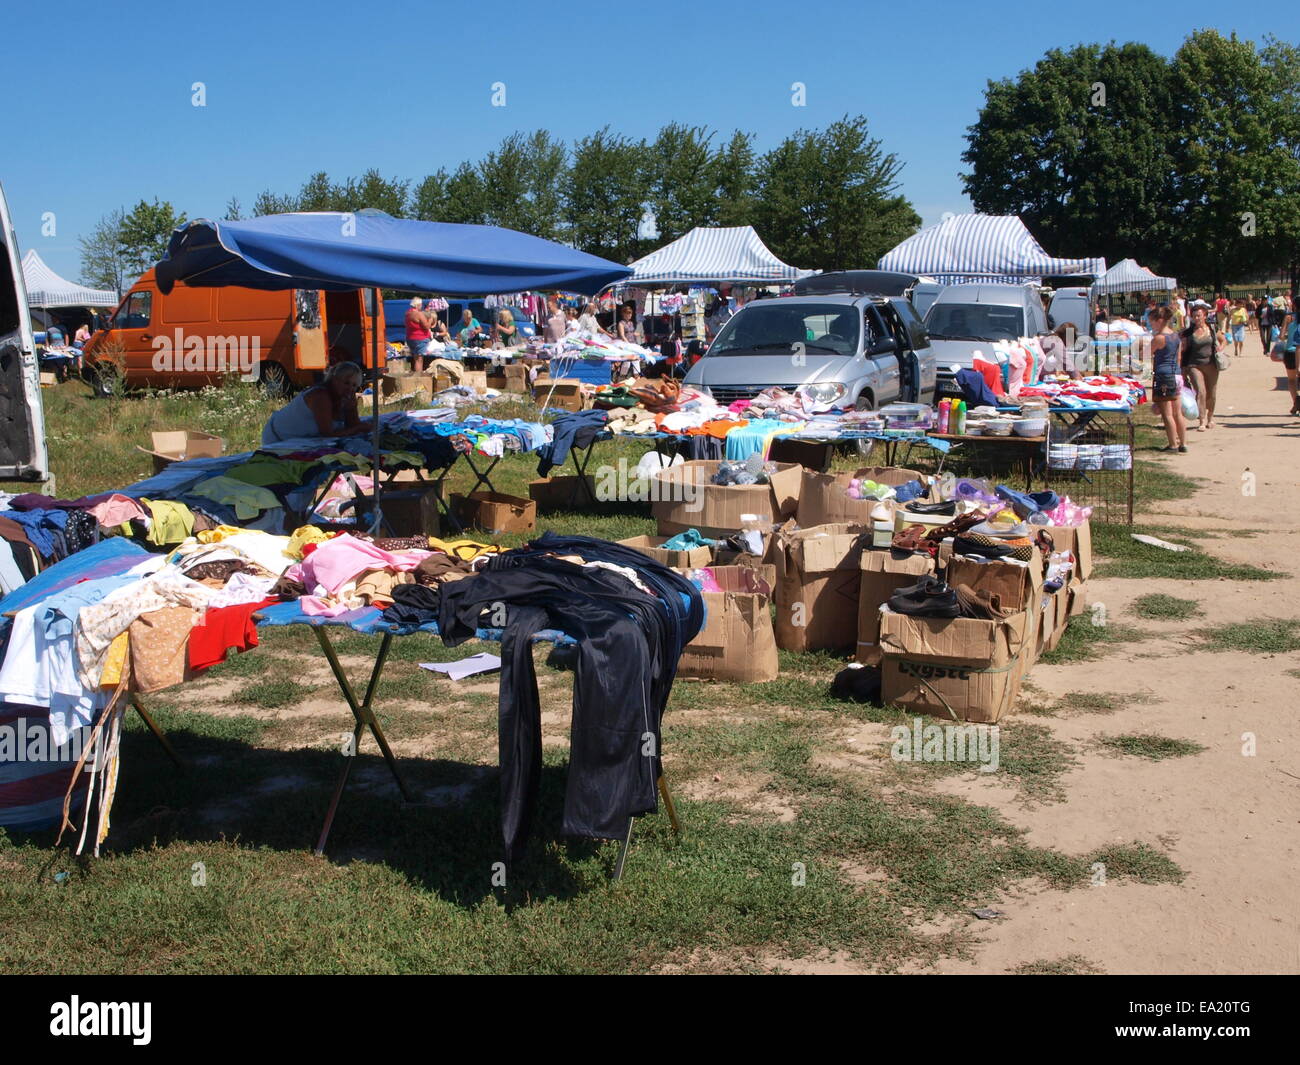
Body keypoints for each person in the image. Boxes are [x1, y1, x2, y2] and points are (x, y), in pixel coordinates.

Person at [261, 362, 370, 445]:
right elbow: (328, 434)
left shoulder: (346, 397)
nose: (350, 389)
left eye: (354, 385)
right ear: (335, 380)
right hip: (278, 438)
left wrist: (351, 409)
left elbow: (353, 424)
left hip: (302, 441)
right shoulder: (320, 396)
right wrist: (359, 428)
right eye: (346, 383)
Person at [1149, 306, 1186, 453]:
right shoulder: (1175, 336)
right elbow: (1178, 358)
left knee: (1167, 414)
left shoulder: (1159, 338)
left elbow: (1145, 353)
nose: (1150, 324)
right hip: (1176, 374)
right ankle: (1183, 443)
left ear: (1159, 321)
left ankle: (1172, 445)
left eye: (1151, 322)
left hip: (1164, 376)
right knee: (1178, 413)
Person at [1180, 305, 1223, 431]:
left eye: (1199, 315)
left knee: (1212, 393)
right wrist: (1182, 367)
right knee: (1201, 391)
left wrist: (1220, 348)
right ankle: (1202, 421)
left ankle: (1210, 418)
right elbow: (1182, 350)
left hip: (1211, 365)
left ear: (1205, 316)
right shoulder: (1188, 332)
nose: (1196, 318)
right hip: (1194, 365)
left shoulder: (1212, 328)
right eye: (1194, 316)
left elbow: (1224, 340)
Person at [403, 297, 432, 373]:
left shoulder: (408, 313)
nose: (421, 306)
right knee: (419, 359)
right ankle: (418, 377)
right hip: (420, 338)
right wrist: (430, 319)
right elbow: (426, 326)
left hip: (410, 337)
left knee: (415, 358)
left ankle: (415, 376)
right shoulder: (418, 314)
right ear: (417, 305)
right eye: (421, 304)